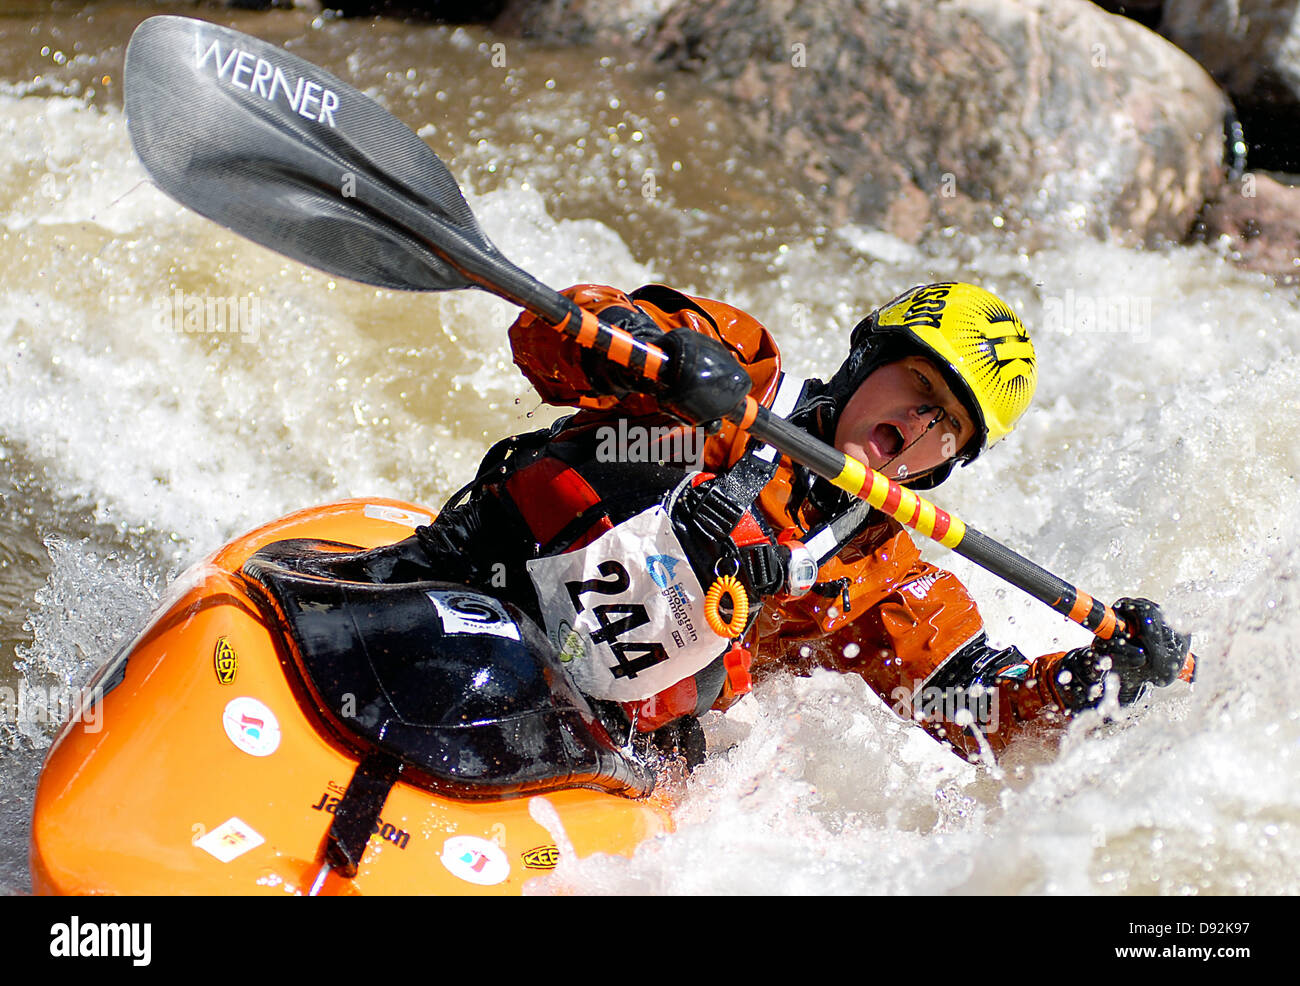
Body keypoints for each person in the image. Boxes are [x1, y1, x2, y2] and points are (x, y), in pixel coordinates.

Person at [364, 280, 1190, 765]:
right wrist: (635, 343)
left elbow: (973, 707)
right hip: (470, 586)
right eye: (917, 390)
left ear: (946, 467)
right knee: (655, 469)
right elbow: (546, 338)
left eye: (948, 431)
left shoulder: (886, 571)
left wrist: (1087, 683)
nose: (917, 429)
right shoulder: (737, 374)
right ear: (866, 360)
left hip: (585, 732)